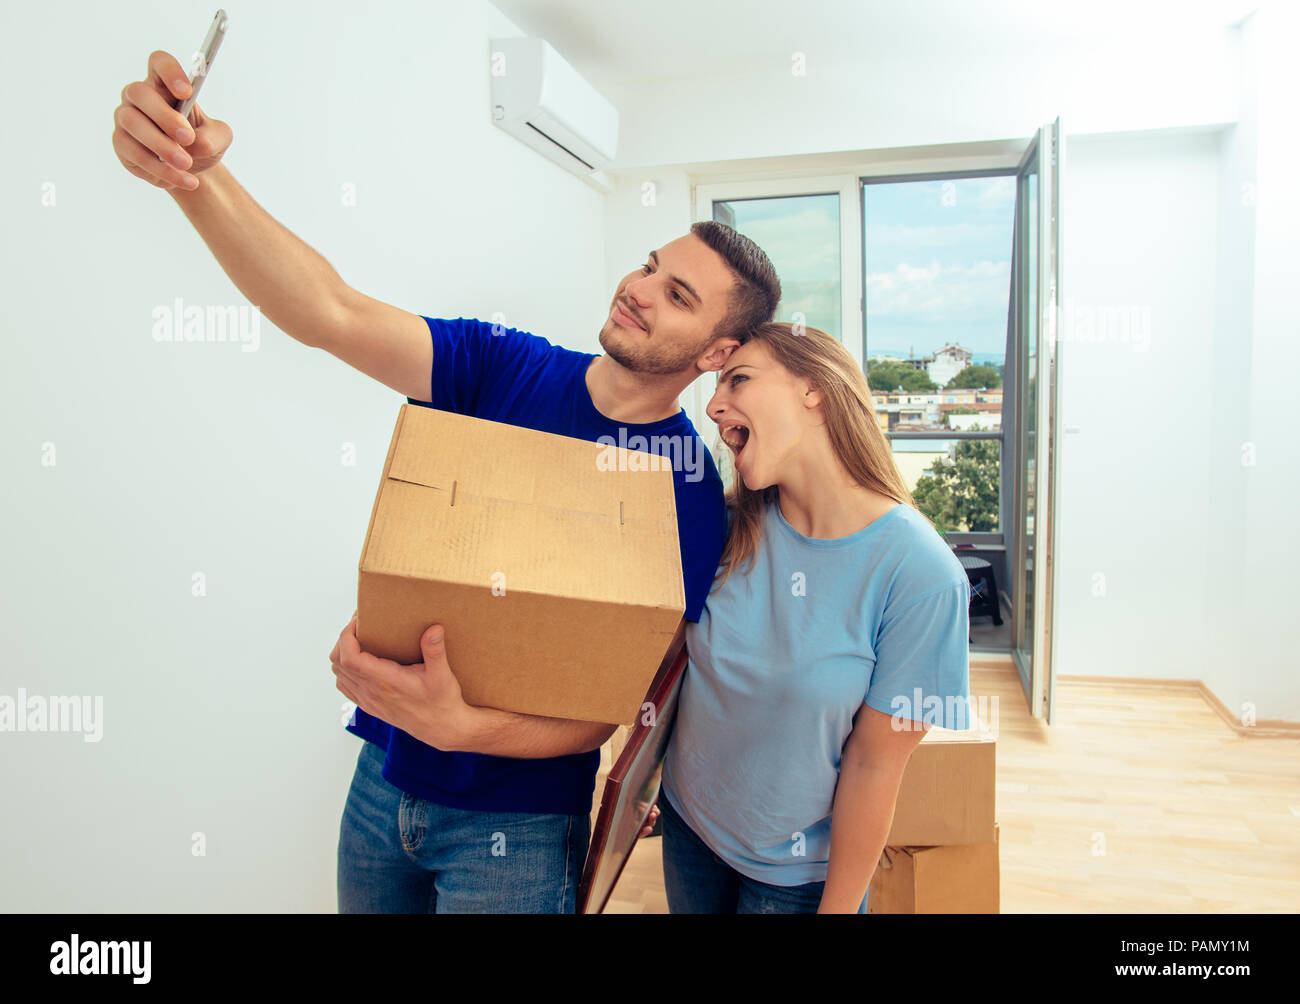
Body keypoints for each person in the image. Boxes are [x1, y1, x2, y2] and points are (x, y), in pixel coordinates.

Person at [110, 50, 780, 913]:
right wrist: (198, 180)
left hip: (519, 830)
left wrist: (467, 730)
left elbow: (616, 706)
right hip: (381, 785)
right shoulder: (499, 367)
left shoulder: (685, 489)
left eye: (678, 294)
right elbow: (330, 311)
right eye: (651, 264)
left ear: (716, 354)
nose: (640, 288)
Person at [647, 321, 973, 914]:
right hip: (689, 831)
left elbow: (875, 767)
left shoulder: (922, 576)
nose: (716, 406)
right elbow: (681, 679)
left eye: (738, 380)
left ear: (814, 388)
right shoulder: (725, 527)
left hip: (794, 882)